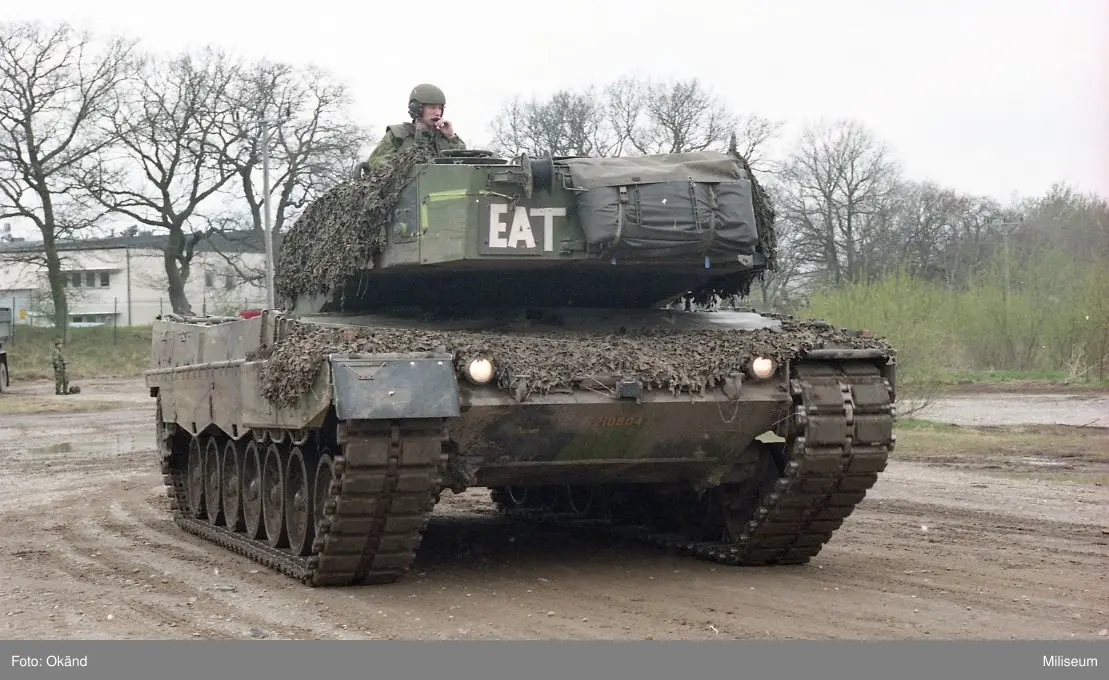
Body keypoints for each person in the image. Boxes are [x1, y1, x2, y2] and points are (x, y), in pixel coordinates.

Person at [366, 84, 466, 166]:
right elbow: (376, 163)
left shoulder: (444, 137)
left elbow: (464, 163)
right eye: (432, 107)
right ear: (416, 108)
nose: (437, 113)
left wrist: (451, 137)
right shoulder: (398, 134)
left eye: (440, 108)